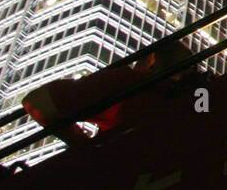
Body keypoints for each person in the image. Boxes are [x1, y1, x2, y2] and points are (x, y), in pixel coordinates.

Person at [21, 40, 201, 146]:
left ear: (150, 62)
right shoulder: (202, 99)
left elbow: (38, 101)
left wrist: (85, 147)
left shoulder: (129, 82)